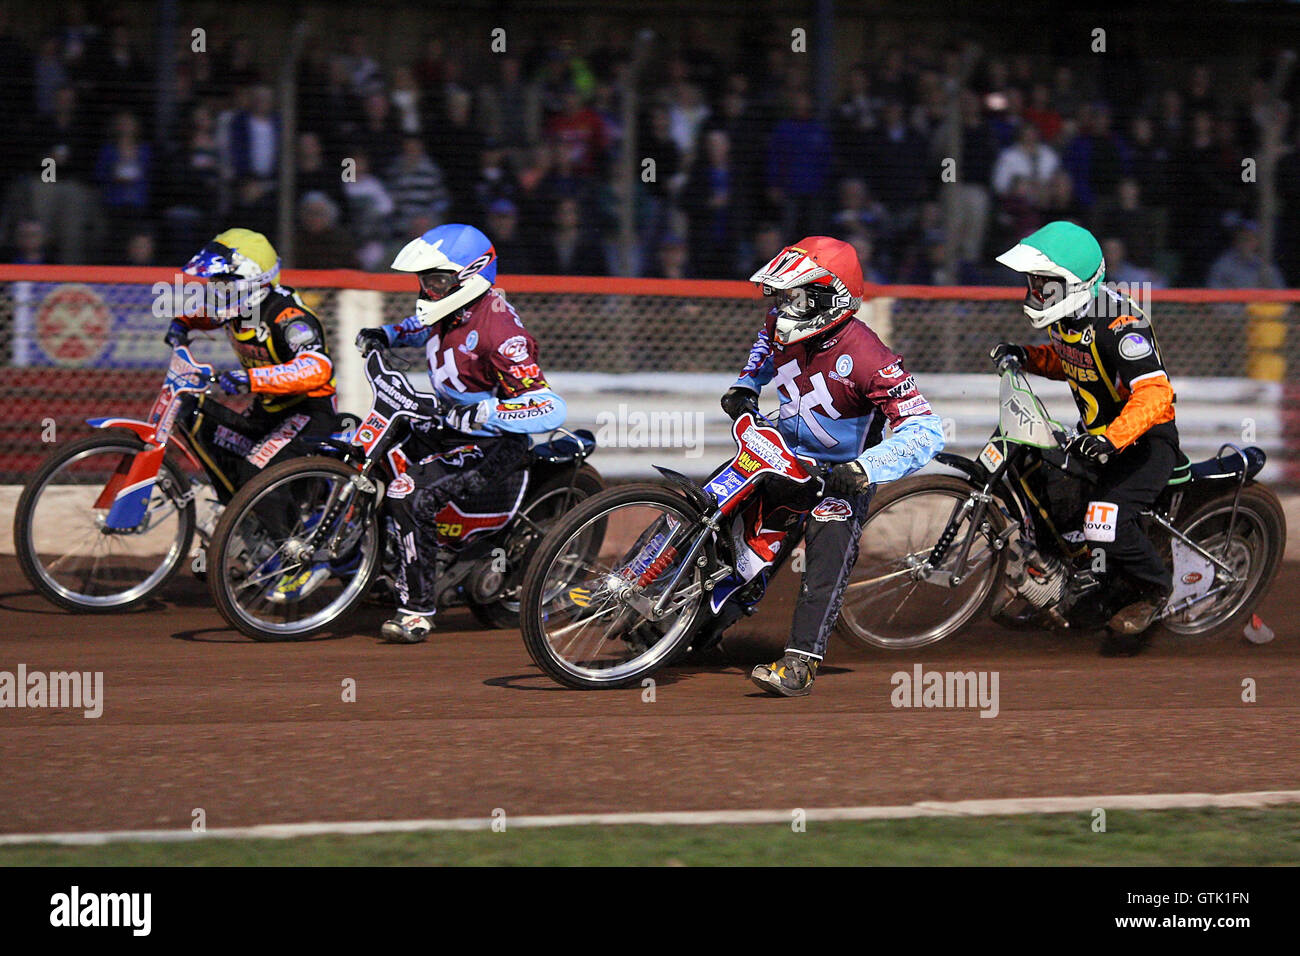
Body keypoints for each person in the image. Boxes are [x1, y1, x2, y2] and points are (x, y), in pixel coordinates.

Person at [719, 236, 945, 697]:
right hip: (779, 456)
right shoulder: (780, 326)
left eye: (794, 297)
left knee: (824, 561)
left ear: (828, 297)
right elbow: (765, 342)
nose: (783, 308)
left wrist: (866, 467)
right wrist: (746, 384)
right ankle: (684, 630)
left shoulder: (869, 357)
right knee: (727, 531)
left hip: (837, 479)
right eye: (781, 297)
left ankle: (799, 664)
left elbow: (926, 428)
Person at [354, 224, 567, 644]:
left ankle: (417, 610)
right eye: (426, 282)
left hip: (492, 443)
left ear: (472, 276)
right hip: (449, 425)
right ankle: (377, 566)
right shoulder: (448, 307)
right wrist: (389, 334)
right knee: (373, 452)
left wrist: (489, 412)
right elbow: (423, 325)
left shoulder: (503, 335)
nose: (428, 290)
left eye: (437, 282)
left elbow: (549, 407)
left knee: (406, 492)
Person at [991, 220, 1181, 655]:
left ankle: (1153, 590)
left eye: (1045, 284)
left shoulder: (1121, 325)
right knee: (1037, 473)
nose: (1036, 292)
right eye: (1035, 283)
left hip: (1144, 443)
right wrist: (1029, 357)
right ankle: (1068, 581)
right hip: (1098, 438)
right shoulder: (1067, 318)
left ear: (1074, 284)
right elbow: (1072, 363)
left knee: (1103, 519)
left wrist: (1112, 440)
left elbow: (1156, 393)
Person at [165, 228, 342, 594]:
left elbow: (318, 368)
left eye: (224, 282)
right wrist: (181, 324)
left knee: (255, 467)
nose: (216, 290)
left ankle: (302, 559)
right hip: (269, 412)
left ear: (252, 282)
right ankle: (248, 530)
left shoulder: (290, 318)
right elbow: (205, 316)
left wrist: (251, 379)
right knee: (204, 428)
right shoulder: (237, 307)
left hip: (309, 414)